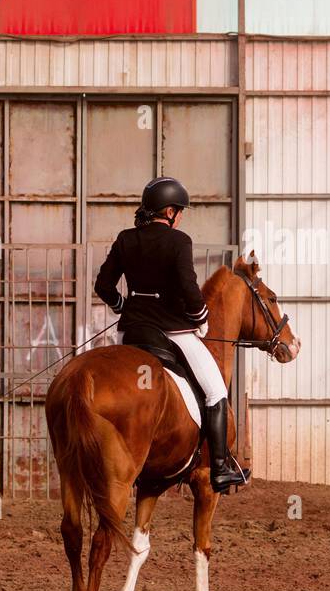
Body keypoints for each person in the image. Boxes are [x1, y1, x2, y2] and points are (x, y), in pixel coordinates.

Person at [93, 176, 249, 494]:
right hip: (173, 333)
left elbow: (103, 286)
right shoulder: (179, 242)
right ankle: (219, 467)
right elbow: (190, 290)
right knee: (216, 391)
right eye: (181, 211)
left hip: (132, 333)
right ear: (170, 212)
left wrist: (123, 304)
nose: (182, 217)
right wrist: (201, 317)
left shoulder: (126, 238)